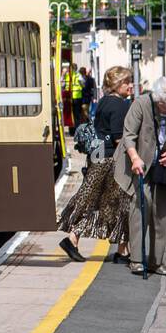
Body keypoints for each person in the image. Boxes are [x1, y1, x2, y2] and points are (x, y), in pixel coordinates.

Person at [58, 66, 135, 263]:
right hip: (111, 160)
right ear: (118, 85)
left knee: (92, 199)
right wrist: (135, 157)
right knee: (120, 202)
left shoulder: (103, 102)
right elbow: (119, 138)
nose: (131, 86)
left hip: (97, 155)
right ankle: (121, 250)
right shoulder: (120, 105)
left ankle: (73, 239)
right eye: (127, 82)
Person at [115, 75, 166, 276]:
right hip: (139, 164)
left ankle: (157, 261)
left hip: (162, 168)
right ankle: (136, 259)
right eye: (162, 104)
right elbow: (128, 136)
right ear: (156, 97)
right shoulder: (141, 104)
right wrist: (135, 158)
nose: (165, 108)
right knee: (139, 209)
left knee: (161, 214)